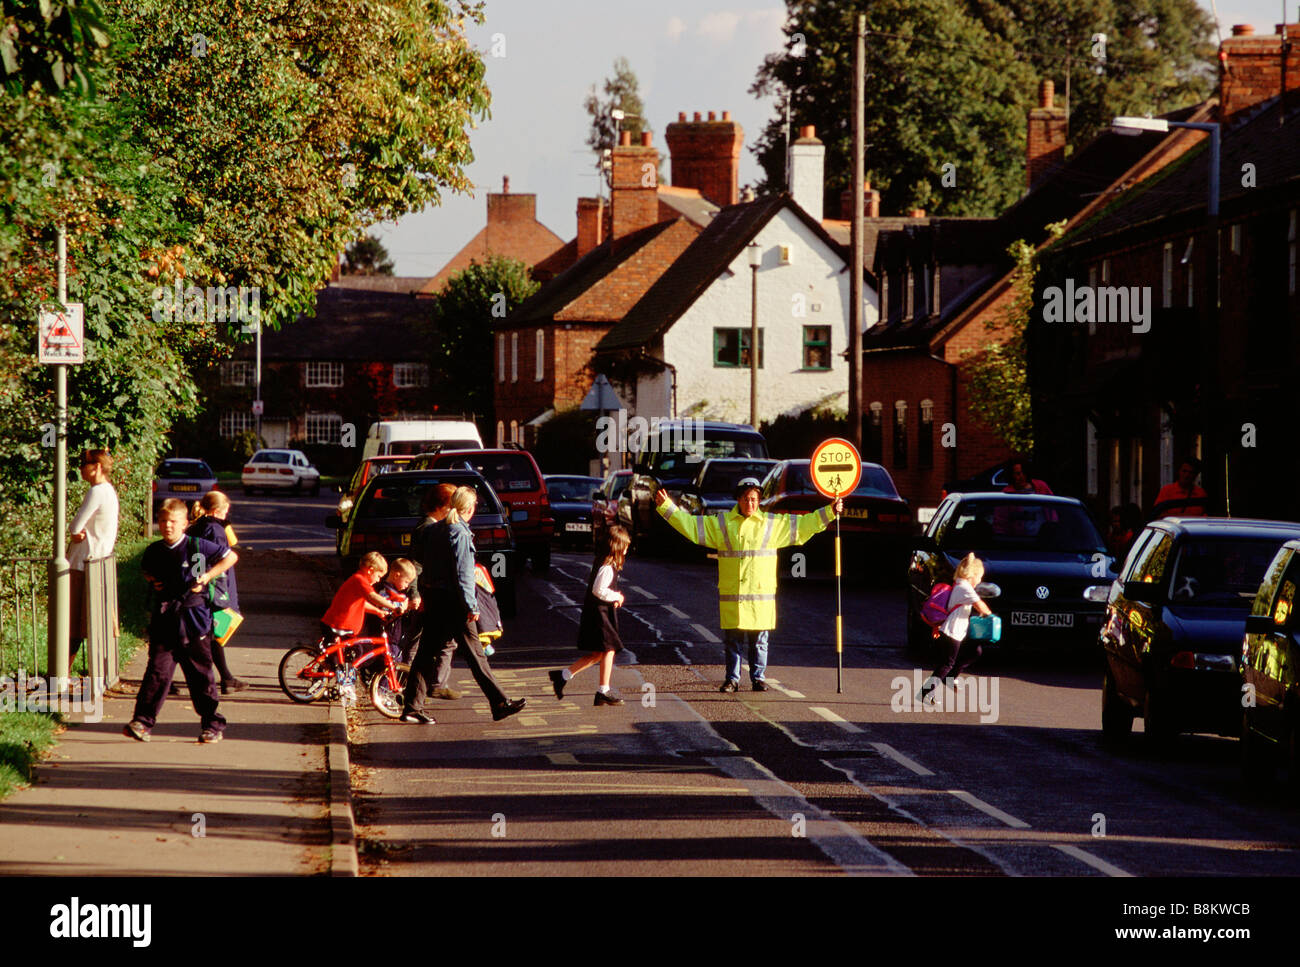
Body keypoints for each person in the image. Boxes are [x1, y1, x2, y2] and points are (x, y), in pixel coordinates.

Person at [655, 477, 842, 692]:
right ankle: (732, 679)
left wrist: (829, 511)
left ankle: (758, 678)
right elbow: (692, 527)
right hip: (734, 597)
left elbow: (803, 525)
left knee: (759, 642)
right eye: (746, 499)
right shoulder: (722, 523)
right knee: (733, 642)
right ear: (738, 499)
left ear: (759, 500)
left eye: (754, 499)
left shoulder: (771, 525)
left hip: (759, 598)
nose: (750, 504)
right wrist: (668, 508)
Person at [400, 486, 526, 724]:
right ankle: (499, 703)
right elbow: (463, 575)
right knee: (476, 655)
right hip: (455, 603)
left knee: (425, 655)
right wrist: (471, 606)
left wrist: (425, 590)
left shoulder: (433, 530)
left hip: (435, 599)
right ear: (470, 508)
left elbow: (420, 561)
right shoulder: (460, 533)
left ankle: (411, 708)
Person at [123, 499, 238, 743]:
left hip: (194, 620)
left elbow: (230, 557)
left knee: (200, 676)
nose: (167, 526)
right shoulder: (154, 550)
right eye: (163, 521)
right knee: (157, 672)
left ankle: (212, 724)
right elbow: (147, 570)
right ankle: (142, 722)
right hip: (165, 619)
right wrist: (152, 581)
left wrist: (207, 576)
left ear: (184, 524)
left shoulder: (198, 546)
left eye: (173, 522)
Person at [549, 525, 631, 706]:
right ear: (617, 546)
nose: (627, 550)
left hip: (599, 611)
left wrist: (613, 598)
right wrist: (616, 596)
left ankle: (563, 676)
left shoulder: (605, 562)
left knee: (598, 653)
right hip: (599, 614)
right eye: (625, 546)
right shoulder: (607, 566)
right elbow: (598, 589)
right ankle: (603, 690)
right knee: (608, 649)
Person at [185, 491, 248, 693]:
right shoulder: (215, 530)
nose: (228, 515)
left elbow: (196, 557)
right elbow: (222, 558)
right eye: (226, 511)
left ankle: (226, 678)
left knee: (208, 632)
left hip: (201, 584)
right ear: (216, 510)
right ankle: (223, 679)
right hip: (215, 587)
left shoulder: (198, 526)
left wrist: (196, 577)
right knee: (211, 633)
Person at [321, 552, 404, 702]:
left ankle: (343, 685)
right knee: (349, 656)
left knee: (351, 655)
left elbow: (362, 603)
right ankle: (343, 686)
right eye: (379, 576)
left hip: (345, 626)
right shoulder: (360, 580)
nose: (379, 580)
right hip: (338, 624)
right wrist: (392, 606)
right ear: (370, 570)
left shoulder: (359, 582)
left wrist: (379, 612)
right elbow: (373, 597)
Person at [67, 448, 120, 673]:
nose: (80, 469)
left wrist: (74, 532)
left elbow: (75, 526)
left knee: (73, 623)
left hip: (83, 563)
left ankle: (62, 672)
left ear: (97, 467)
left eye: (84, 464)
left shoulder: (97, 491)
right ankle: (101, 671)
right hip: (100, 562)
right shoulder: (109, 491)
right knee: (94, 622)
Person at [411, 483, 462, 700]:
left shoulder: (430, 526)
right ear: (444, 506)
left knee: (433, 641)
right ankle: (415, 684)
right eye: (454, 506)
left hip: (428, 592)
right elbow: (416, 564)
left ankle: (432, 684)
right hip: (427, 593)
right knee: (419, 641)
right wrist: (415, 593)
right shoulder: (428, 529)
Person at [920, 552, 993, 700]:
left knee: (974, 651)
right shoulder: (964, 588)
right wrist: (990, 614)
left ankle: (950, 678)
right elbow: (981, 606)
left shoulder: (959, 585)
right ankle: (926, 692)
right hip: (952, 632)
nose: (979, 581)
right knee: (947, 663)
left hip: (957, 632)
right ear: (972, 575)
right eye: (979, 577)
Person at [363, 558, 421, 663]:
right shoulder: (385, 593)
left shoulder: (395, 593)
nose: (407, 586)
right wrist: (404, 608)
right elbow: (386, 615)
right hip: (386, 638)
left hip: (392, 639)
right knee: (391, 665)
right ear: (396, 576)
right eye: (406, 582)